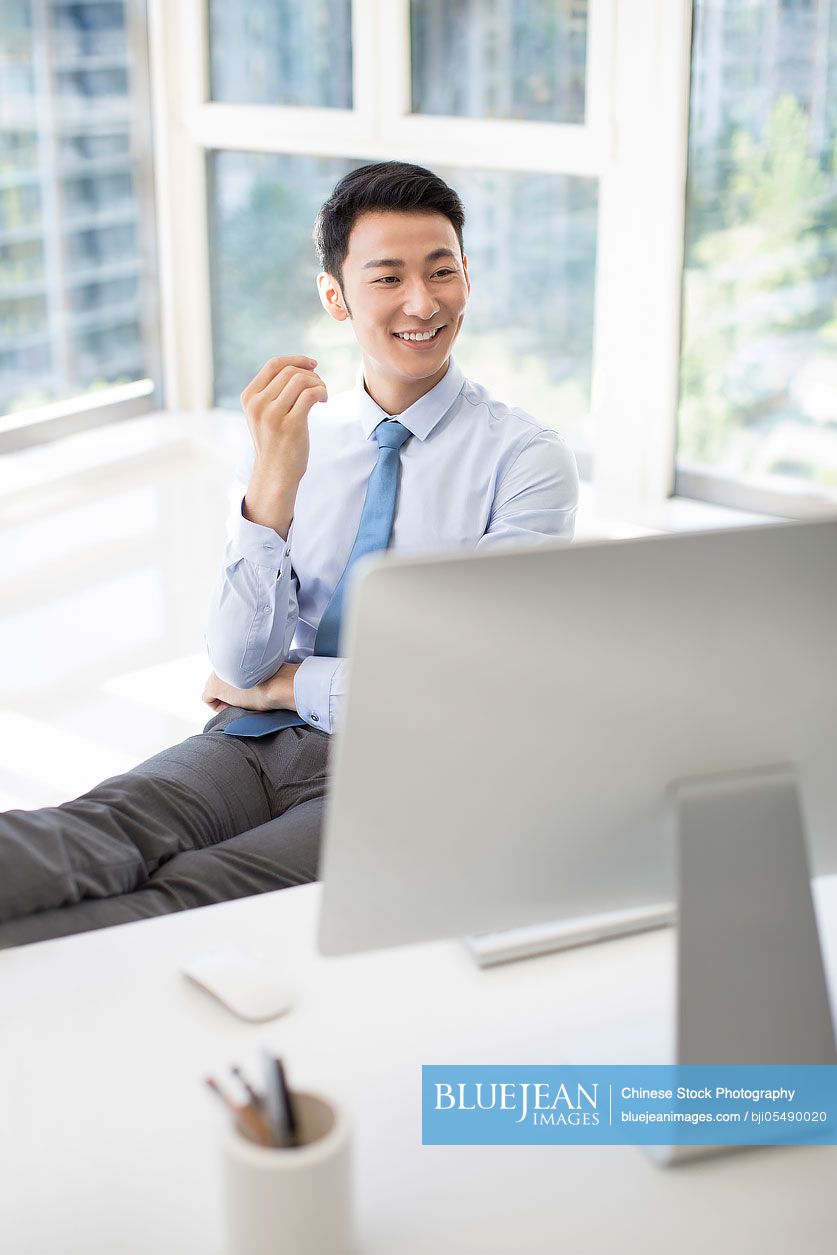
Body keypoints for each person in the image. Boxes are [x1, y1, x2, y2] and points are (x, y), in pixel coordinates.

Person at [0, 161, 578, 948]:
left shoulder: (525, 461)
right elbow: (241, 659)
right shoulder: (298, 439)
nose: (422, 301)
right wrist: (272, 480)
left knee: (187, 898)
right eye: (388, 277)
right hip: (256, 741)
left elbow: (473, 683)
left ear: (466, 280)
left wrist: (286, 684)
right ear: (336, 297)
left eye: (442, 272)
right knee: (90, 833)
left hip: (408, 768)